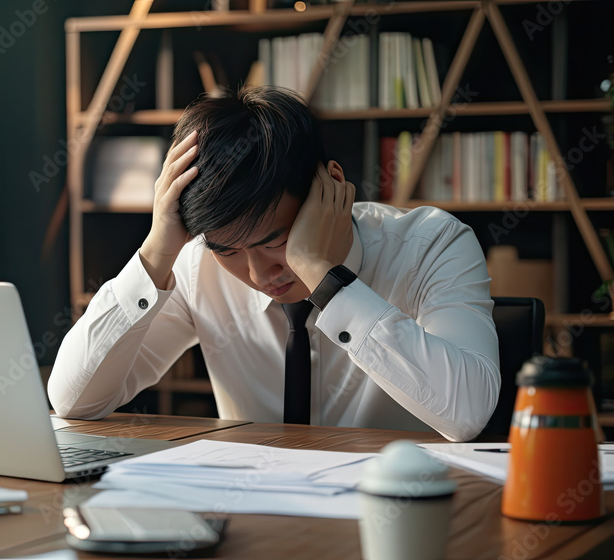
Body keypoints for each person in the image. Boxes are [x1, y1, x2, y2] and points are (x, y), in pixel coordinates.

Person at [47, 86, 499, 442]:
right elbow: (74, 401)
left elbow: (468, 413)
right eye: (227, 251)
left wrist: (322, 274)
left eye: (275, 241)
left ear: (331, 185)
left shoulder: (432, 246)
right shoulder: (193, 264)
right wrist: (156, 252)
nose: (260, 276)